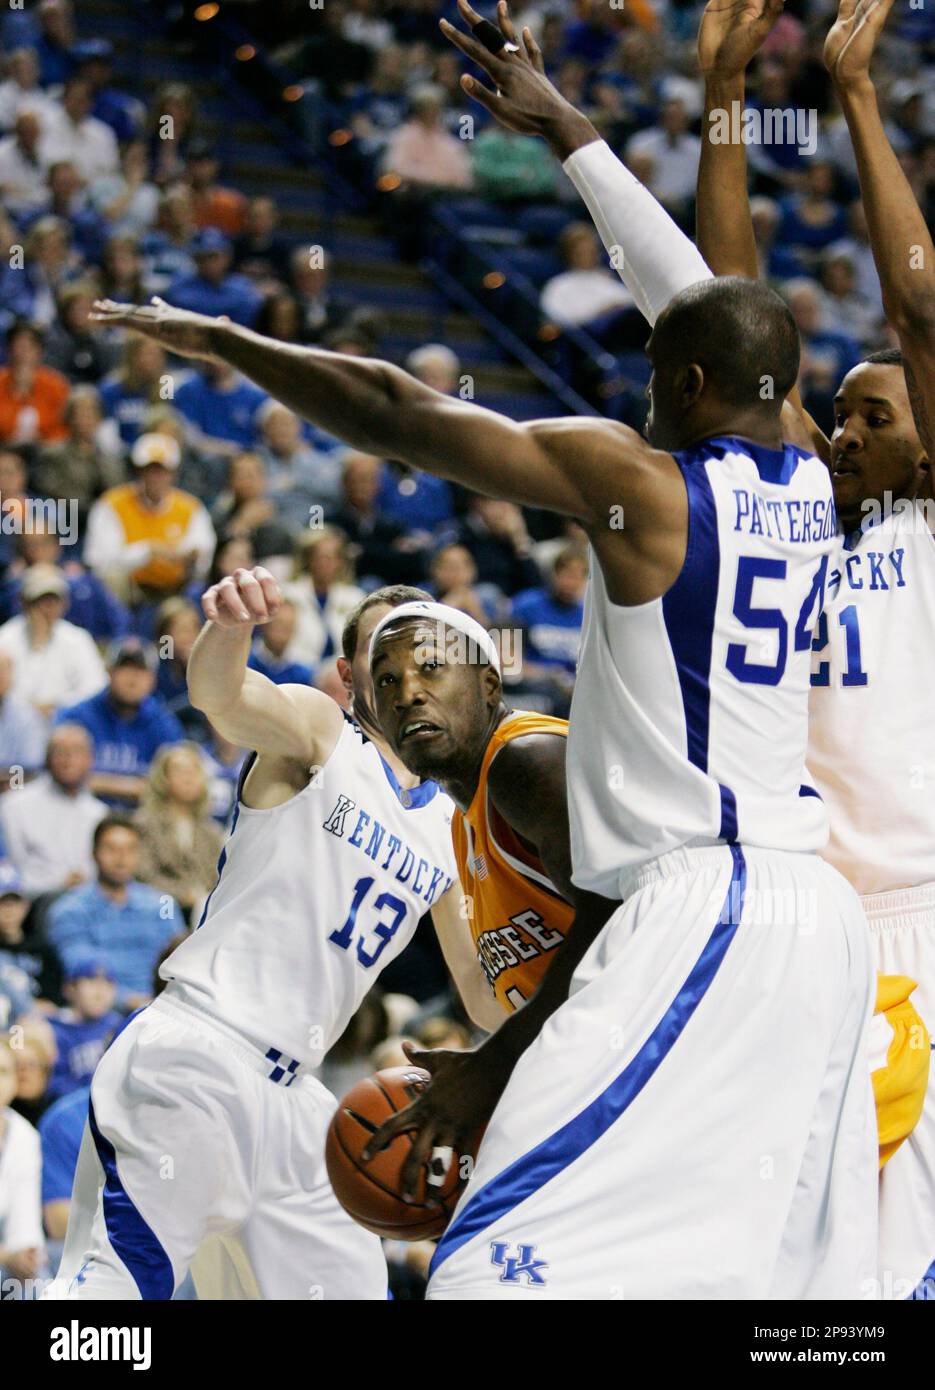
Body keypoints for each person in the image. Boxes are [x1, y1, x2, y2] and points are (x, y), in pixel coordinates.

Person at [86, 2, 879, 1299]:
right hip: (815, 923)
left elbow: (404, 409)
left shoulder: (645, 487)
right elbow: (714, 294)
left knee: (504, 1264)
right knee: (764, 1285)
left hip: (702, 906)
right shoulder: (794, 465)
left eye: (653, 373)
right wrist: (590, 126)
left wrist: (223, 339)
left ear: (679, 392)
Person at [48, 577, 475, 1301]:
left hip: (301, 1104)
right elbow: (224, 696)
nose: (408, 671)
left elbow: (487, 996)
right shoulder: (322, 731)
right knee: (109, 1305)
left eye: (426, 652)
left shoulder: (451, 827)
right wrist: (229, 629)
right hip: (197, 1057)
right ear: (350, 675)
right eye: (386, 649)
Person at [46, 815, 180, 1014]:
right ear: (94, 853)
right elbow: (83, 975)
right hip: (100, 1013)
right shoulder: (69, 910)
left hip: (162, 1008)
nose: (121, 858)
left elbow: (180, 961)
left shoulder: (163, 904)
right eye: (111, 849)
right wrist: (134, 1002)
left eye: (130, 849)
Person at [83, 432, 216, 608]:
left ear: (174, 474)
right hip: (132, 588)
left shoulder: (190, 507)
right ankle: (119, 631)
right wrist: (148, 551)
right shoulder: (111, 505)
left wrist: (190, 554)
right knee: (111, 578)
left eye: (162, 471)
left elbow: (202, 550)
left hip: (176, 588)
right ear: (138, 471)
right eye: (150, 470)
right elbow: (98, 560)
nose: (156, 477)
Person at [54, 638, 185, 808]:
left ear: (152, 679)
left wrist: (98, 782)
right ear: (109, 672)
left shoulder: (163, 723)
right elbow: (59, 774)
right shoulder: (77, 716)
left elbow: (175, 785)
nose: (132, 679)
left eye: (140, 670)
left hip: (142, 820)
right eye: (125, 669)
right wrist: (137, 787)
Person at [0, 723, 106, 898]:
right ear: (48, 759)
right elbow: (11, 871)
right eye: (61, 752)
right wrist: (57, 885)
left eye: (77, 752)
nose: (69, 760)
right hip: (33, 902)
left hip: (90, 902)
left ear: (90, 760)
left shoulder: (100, 814)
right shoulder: (14, 805)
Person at [0, 565, 106, 718]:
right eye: (40, 601)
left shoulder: (78, 639)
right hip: (14, 724)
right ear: (24, 603)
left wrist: (58, 707)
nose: (48, 608)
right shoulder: (5, 637)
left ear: (65, 604)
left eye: (54, 601)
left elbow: (95, 689)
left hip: (66, 721)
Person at [134, 743, 224, 919]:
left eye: (194, 771)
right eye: (180, 771)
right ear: (164, 778)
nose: (188, 778)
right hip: (161, 905)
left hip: (203, 907)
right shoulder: (144, 824)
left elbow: (217, 877)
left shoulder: (211, 832)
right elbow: (143, 875)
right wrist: (181, 893)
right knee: (165, 909)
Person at [0, 1034, 45, 1294]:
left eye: (4, 1072)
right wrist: (7, 1256)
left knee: (33, 1282)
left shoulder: (23, 1134)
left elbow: (24, 1227)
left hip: (6, 1262)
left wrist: (25, 1257)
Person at [46, 959, 121, 1102]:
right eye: (92, 982)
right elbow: (54, 1085)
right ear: (70, 988)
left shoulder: (119, 1025)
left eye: (108, 985)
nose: (100, 993)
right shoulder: (52, 1029)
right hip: (73, 1109)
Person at [0, 650, 47, 774]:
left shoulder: (28, 717)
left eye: (3, 672)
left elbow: (29, 772)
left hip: (14, 789)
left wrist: (13, 788)